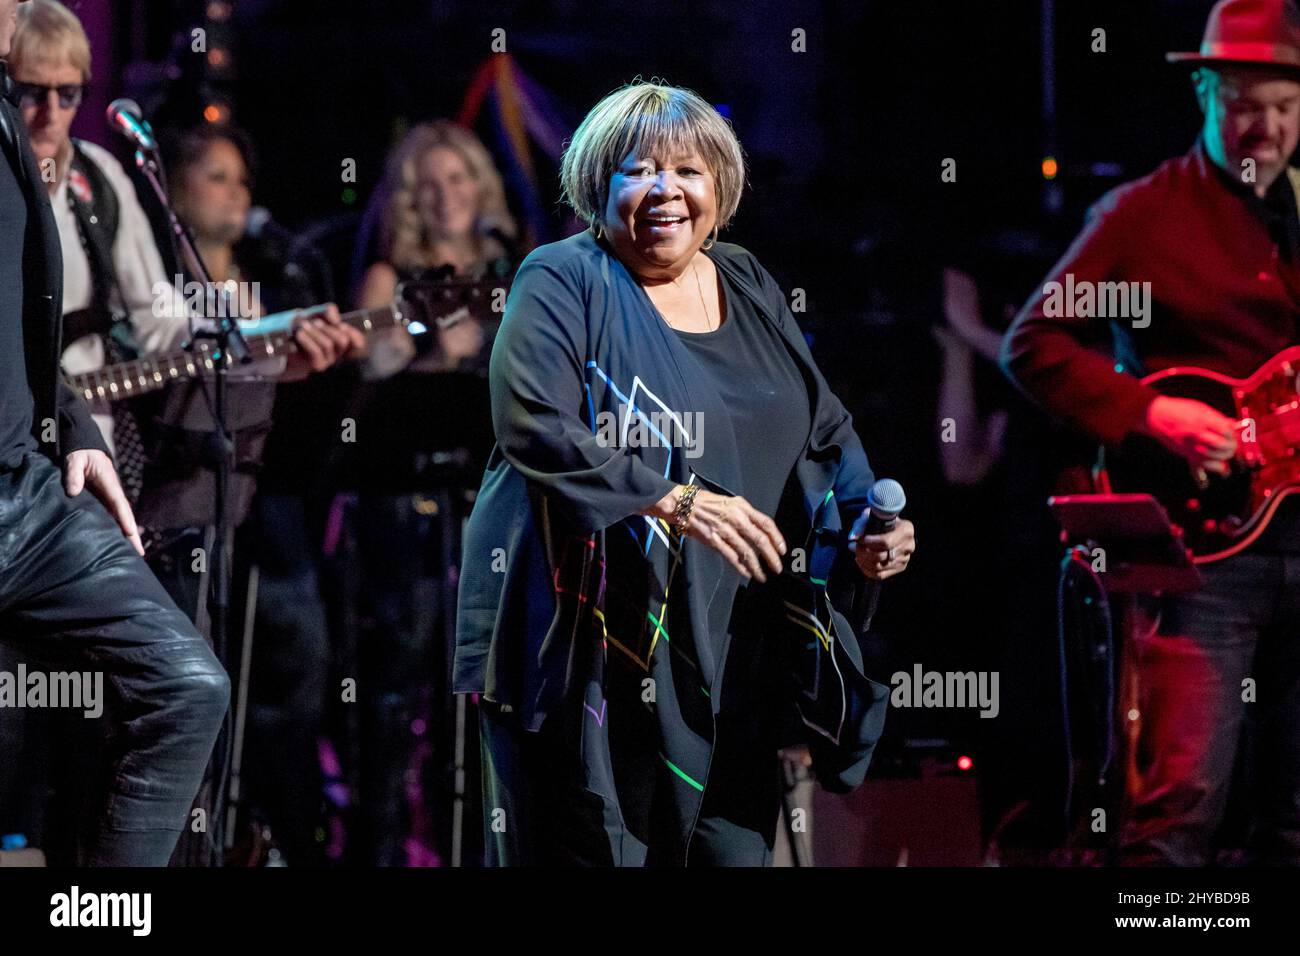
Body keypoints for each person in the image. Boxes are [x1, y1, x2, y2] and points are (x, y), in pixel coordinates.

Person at [454, 80, 916, 866]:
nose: (665, 189)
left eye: (689, 170)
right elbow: (534, 422)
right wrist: (674, 500)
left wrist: (868, 530)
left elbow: (822, 430)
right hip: (594, 656)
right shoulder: (562, 277)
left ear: (720, 187)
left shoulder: (745, 279)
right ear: (599, 184)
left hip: (734, 653)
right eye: (638, 169)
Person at [1002, 0, 1300, 865]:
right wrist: (1149, 413)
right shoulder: (1143, 214)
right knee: (1175, 819)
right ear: (1203, 92)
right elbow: (1034, 342)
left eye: (1285, 108)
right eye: (1245, 103)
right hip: (1204, 559)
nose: (1266, 127)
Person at [0, 0, 228, 866]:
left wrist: (71, 419)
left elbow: (156, 315)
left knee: (186, 682)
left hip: (45, 471)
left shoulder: (94, 175)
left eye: (70, 93)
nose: (52, 113)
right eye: (34, 93)